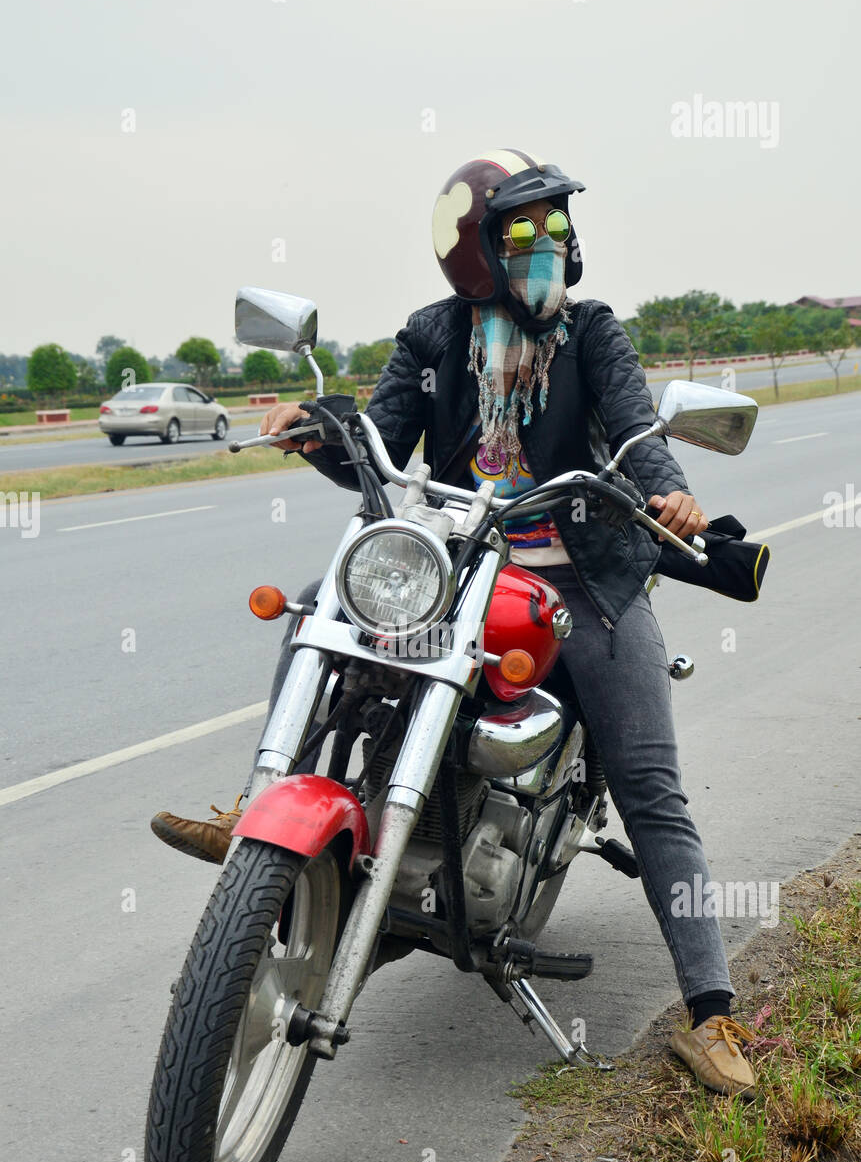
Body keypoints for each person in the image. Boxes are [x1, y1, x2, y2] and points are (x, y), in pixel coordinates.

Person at [152, 148, 756, 1097]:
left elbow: (639, 432)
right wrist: (318, 422)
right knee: (318, 606)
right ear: (474, 250)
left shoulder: (593, 333)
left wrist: (671, 495)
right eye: (525, 231)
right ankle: (260, 809)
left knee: (649, 784)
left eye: (557, 227)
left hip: (583, 582)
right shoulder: (433, 335)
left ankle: (711, 1014)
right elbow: (384, 439)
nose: (550, 244)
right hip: (451, 569)